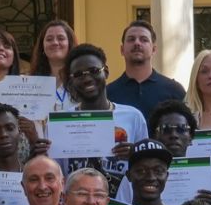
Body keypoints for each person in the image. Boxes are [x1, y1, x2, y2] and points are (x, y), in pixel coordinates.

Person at [56, 43, 149, 187]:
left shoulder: (133, 117)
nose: (87, 79)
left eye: (93, 70)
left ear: (105, 71)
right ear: (71, 80)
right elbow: (57, 173)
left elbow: (146, 167)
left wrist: (136, 155)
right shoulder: (61, 122)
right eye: (78, 74)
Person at [108, 20, 187, 120]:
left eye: (144, 40)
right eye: (131, 39)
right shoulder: (108, 94)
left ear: (153, 50)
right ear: (122, 50)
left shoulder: (174, 91)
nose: (137, 43)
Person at [30, 18, 76, 99]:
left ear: (70, 44)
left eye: (61, 38)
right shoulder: (31, 83)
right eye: (49, 39)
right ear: (42, 46)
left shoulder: (80, 79)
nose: (55, 42)